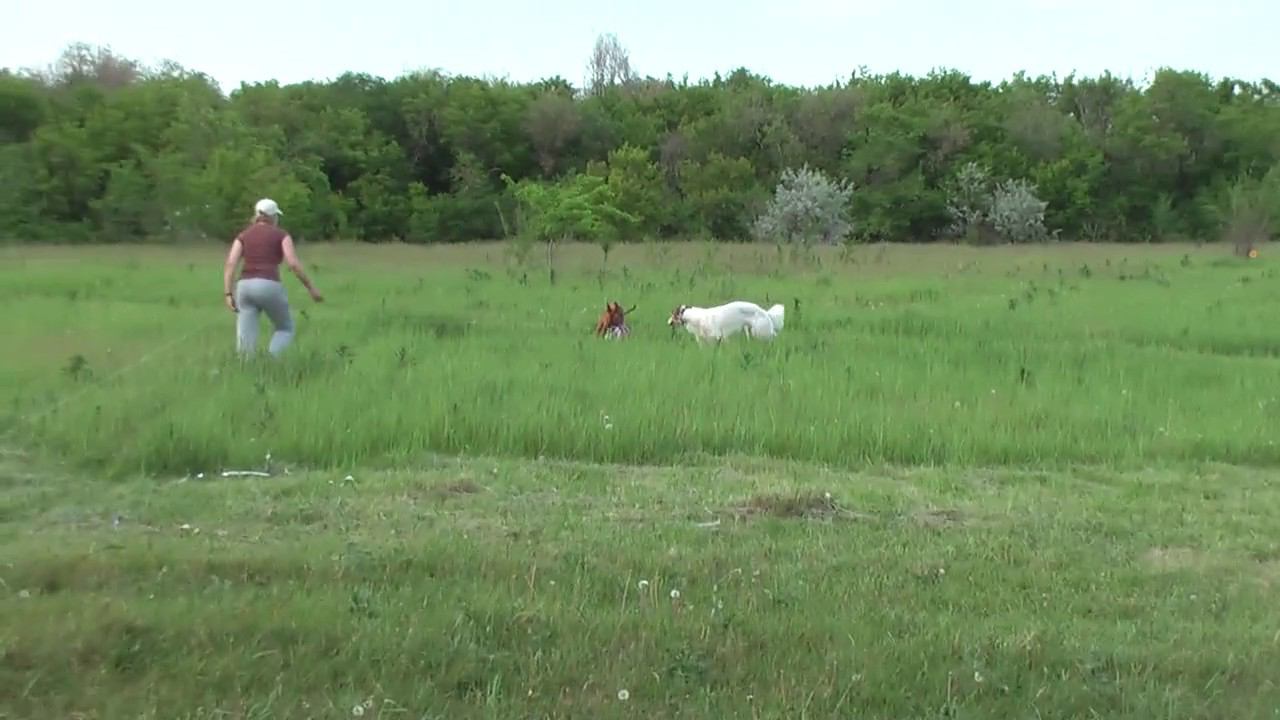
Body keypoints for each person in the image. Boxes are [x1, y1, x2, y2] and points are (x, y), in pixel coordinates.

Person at [222, 198, 323, 357]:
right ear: (272, 217)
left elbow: (230, 264)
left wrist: (228, 293)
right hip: (269, 284)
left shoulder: (243, 235)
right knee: (285, 328)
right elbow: (293, 263)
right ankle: (270, 361)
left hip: (244, 287)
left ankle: (246, 368)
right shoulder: (281, 235)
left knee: (245, 338)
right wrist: (311, 288)